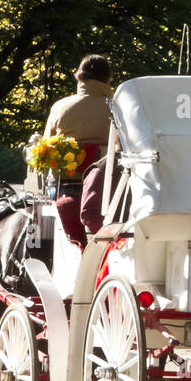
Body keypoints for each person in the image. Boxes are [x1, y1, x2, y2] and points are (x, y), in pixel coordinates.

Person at [45, 55, 113, 247]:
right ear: (107, 79)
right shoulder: (116, 109)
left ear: (80, 77)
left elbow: (46, 147)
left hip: (62, 186)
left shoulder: (59, 107)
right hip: (104, 189)